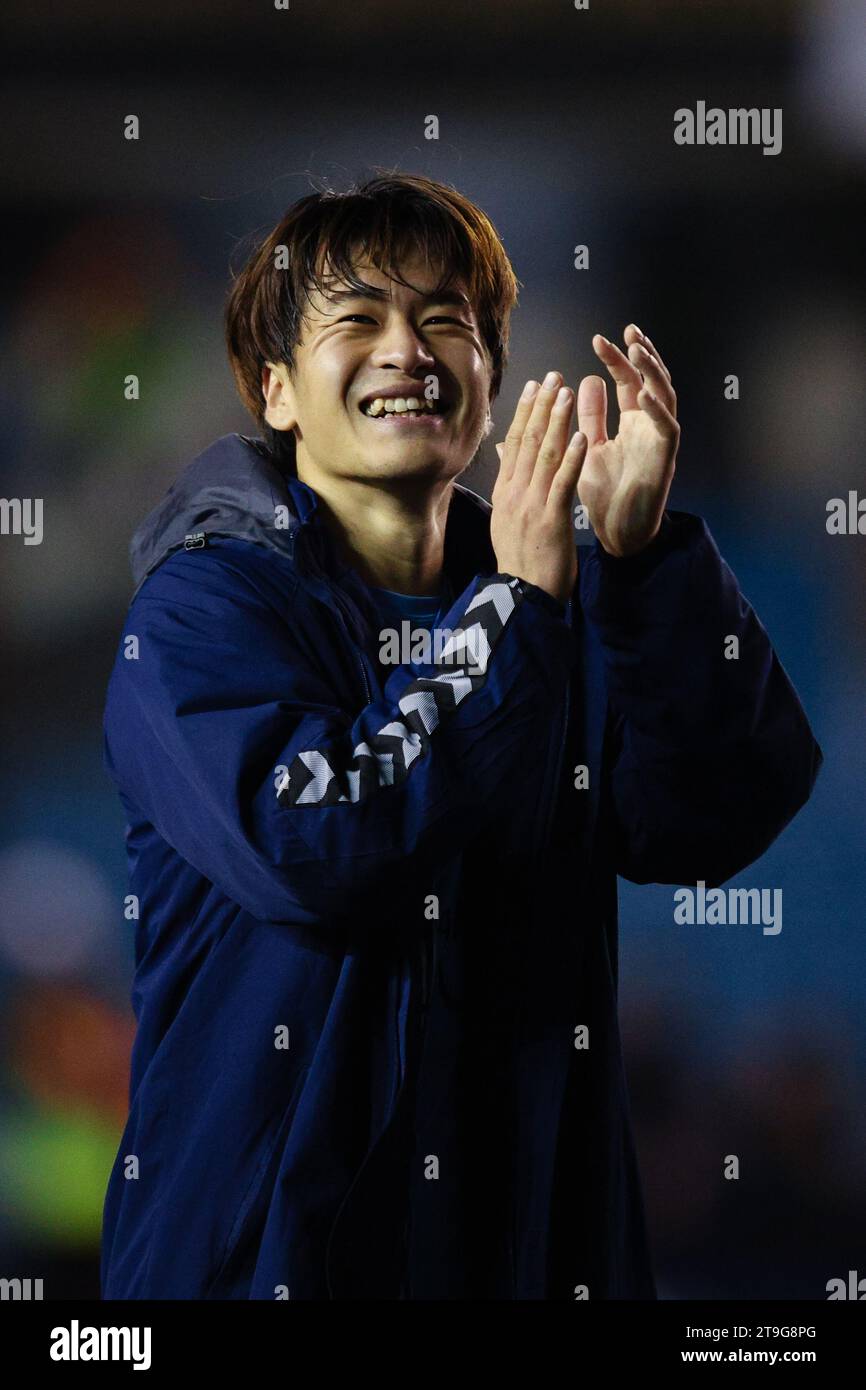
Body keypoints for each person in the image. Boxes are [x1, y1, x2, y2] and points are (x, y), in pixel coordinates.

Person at [100, 171, 822, 1300]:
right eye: (358, 319)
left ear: (485, 380)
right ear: (276, 390)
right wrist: (518, 611)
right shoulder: (201, 618)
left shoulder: (560, 598)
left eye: (446, 320)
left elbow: (715, 812)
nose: (408, 349)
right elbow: (326, 847)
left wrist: (640, 571)